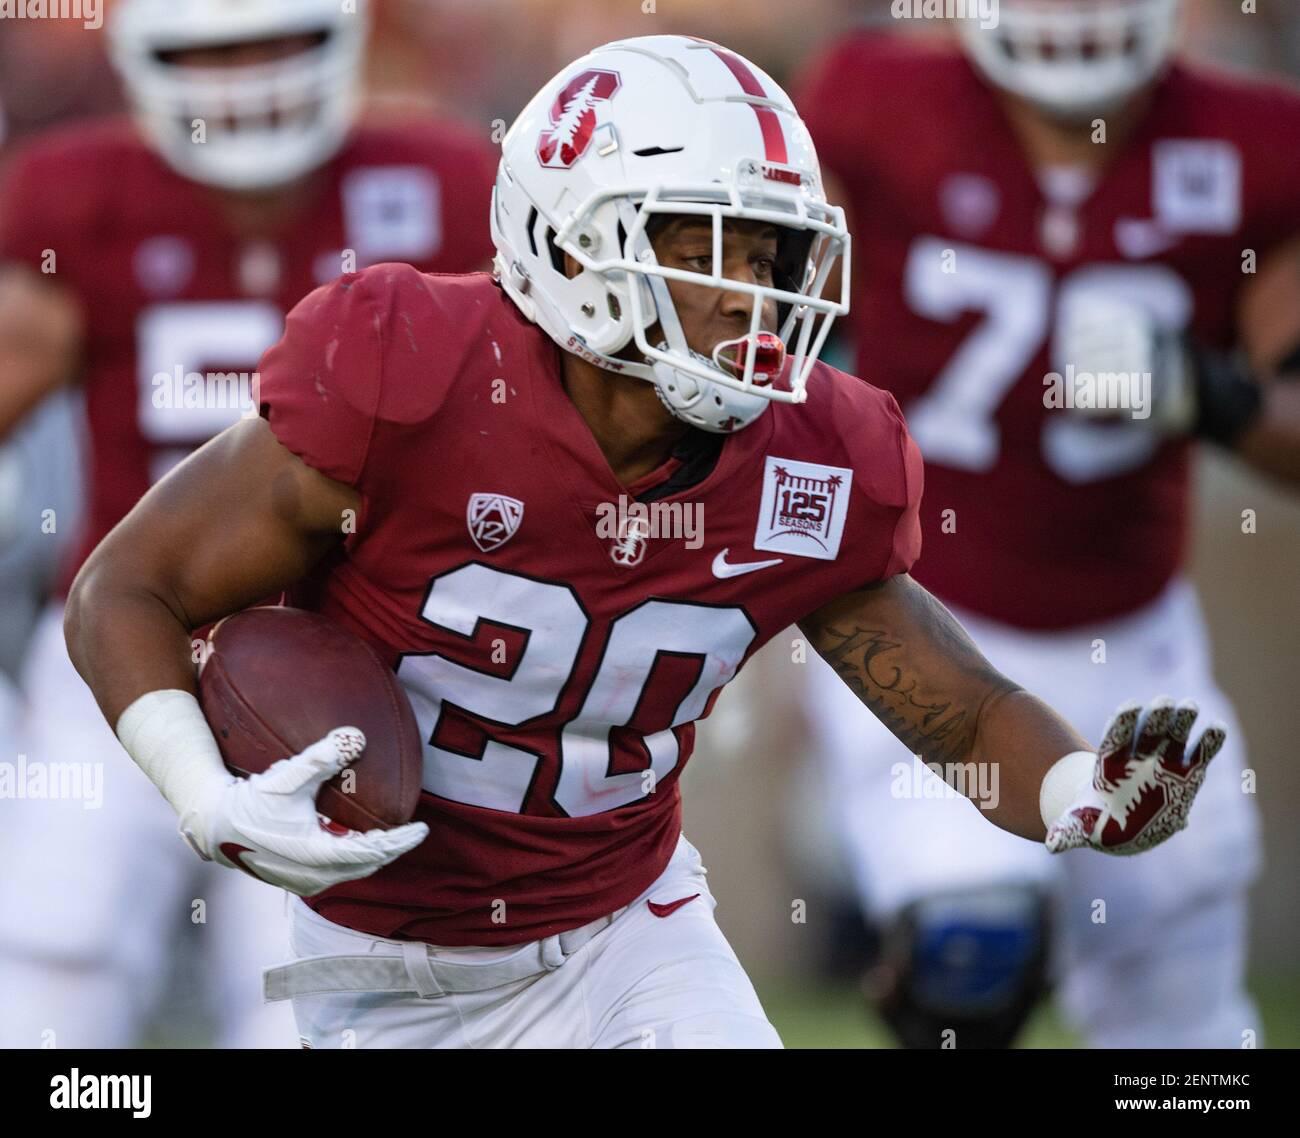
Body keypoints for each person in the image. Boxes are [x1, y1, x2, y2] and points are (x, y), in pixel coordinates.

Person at [66, 33, 1225, 1050]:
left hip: (631, 936)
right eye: (704, 247)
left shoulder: (815, 453)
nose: (749, 299)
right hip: (383, 969)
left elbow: (961, 709)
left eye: (770, 258)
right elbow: (126, 587)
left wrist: (1080, 789)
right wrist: (202, 792)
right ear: (568, 248)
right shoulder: (406, 370)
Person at [794, 0, 1300, 1047]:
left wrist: (1202, 390)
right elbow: (782, 333)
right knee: (969, 948)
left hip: (1134, 637)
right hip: (919, 619)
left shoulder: (1256, 143)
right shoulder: (876, 102)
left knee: (1182, 1030)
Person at [0, 0, 497, 1048]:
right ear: (145, 56)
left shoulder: (448, 184)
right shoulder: (74, 194)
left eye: (277, 41)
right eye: (210, 49)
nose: (246, 77)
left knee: (305, 973)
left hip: (352, 652)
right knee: (57, 935)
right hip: (120, 629)